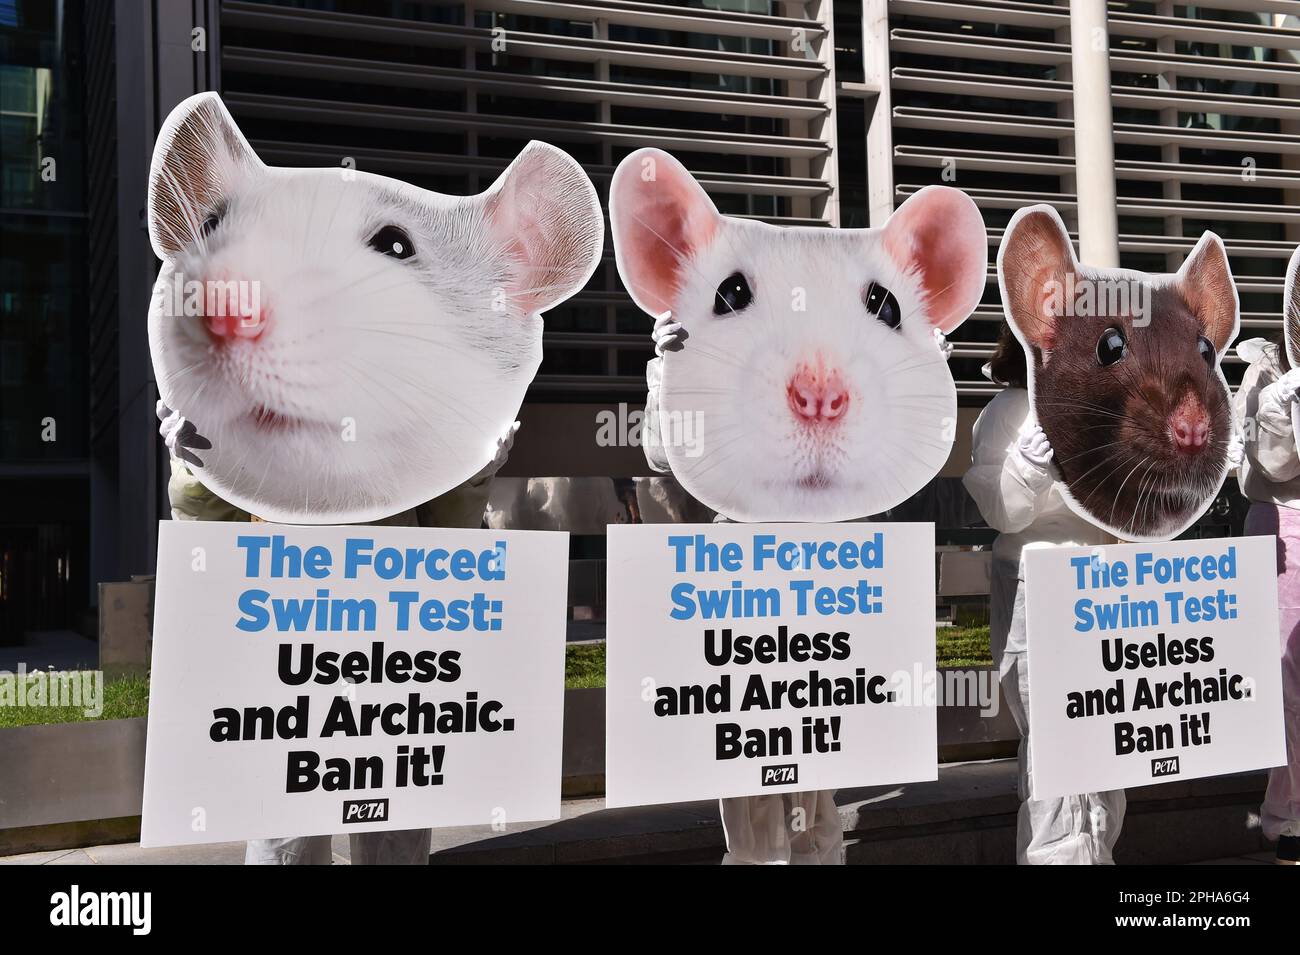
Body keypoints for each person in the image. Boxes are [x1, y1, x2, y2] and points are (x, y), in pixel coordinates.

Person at [158, 402, 517, 865]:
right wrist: (196, 470)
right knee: (287, 839)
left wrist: (473, 470)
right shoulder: (257, 387)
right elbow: (214, 543)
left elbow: (444, 536)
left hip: (391, 659)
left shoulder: (399, 386)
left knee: (390, 837)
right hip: (288, 663)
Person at [643, 314, 842, 865]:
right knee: (751, 753)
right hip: (741, 578)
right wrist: (669, 371)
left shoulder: (822, 371)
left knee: (816, 756)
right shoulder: (712, 369)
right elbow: (664, 455)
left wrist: (918, 368)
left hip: (816, 576)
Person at [961, 323, 1125, 864]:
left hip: (1105, 585)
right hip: (1040, 585)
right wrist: (1030, 464)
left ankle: (1095, 852)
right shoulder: (1009, 410)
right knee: (1057, 744)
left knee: (1105, 734)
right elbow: (1002, 511)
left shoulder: (1108, 401)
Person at [1233, 334, 1300, 865]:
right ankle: (1291, 818)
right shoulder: (1265, 374)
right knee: (1289, 686)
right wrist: (1281, 402)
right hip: (1285, 528)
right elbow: (1266, 464)